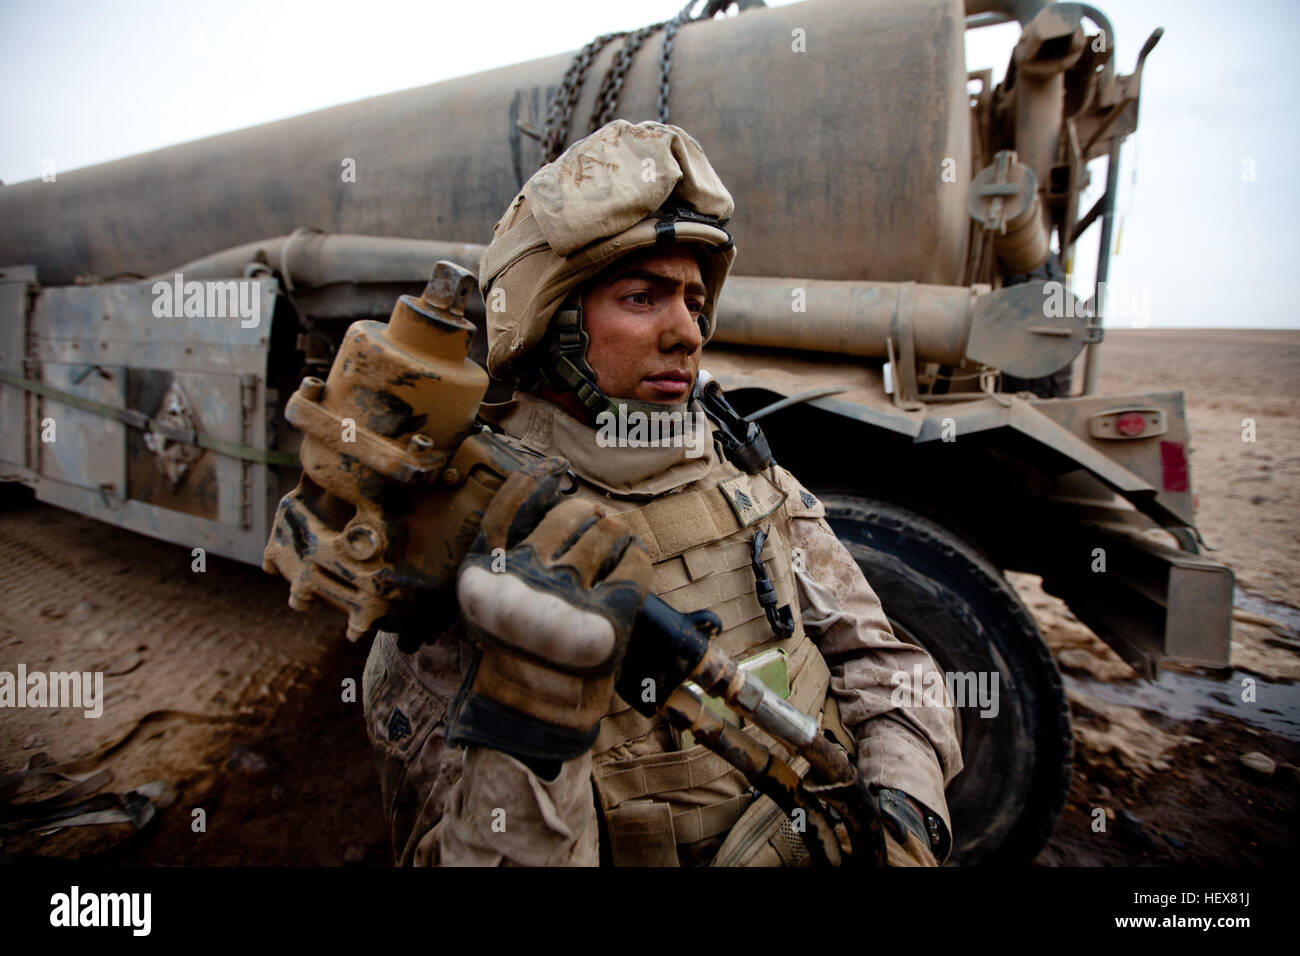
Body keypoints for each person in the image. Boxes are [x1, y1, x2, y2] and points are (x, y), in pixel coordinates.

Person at [361, 119, 962, 867]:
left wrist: (906, 810)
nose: (687, 331)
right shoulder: (481, 555)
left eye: (694, 300)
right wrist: (531, 728)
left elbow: (890, 664)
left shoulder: (745, 475)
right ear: (552, 325)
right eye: (643, 297)